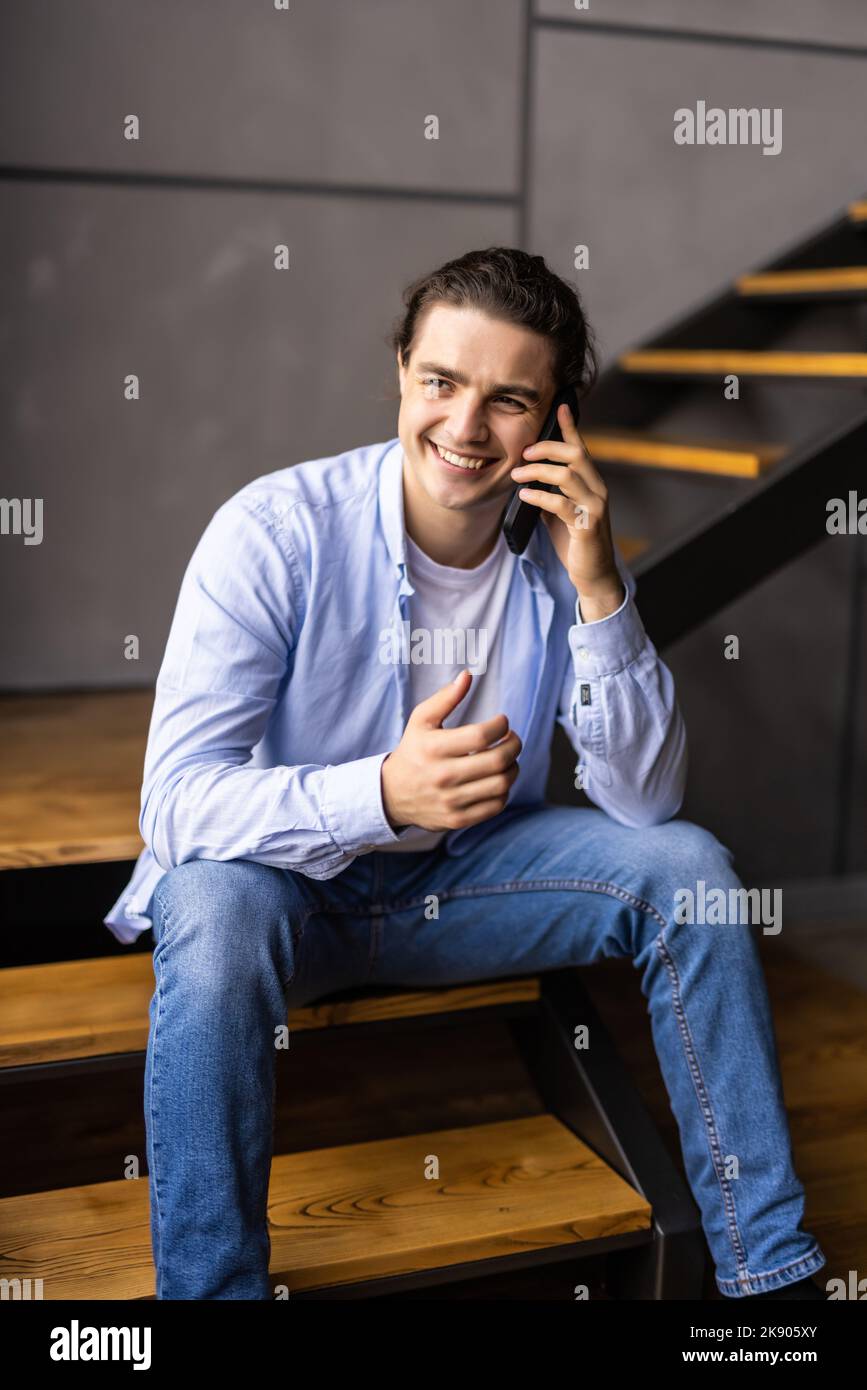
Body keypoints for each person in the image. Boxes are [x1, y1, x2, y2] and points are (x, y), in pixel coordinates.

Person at [105, 246, 826, 1301]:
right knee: (206, 900)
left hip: (465, 886)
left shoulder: (555, 560)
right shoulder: (272, 531)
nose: (464, 426)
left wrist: (598, 580)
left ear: (555, 423)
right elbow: (173, 810)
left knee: (694, 867)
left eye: (509, 401)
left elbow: (644, 801)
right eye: (441, 382)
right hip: (285, 894)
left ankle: (771, 1288)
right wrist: (381, 793)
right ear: (402, 370)